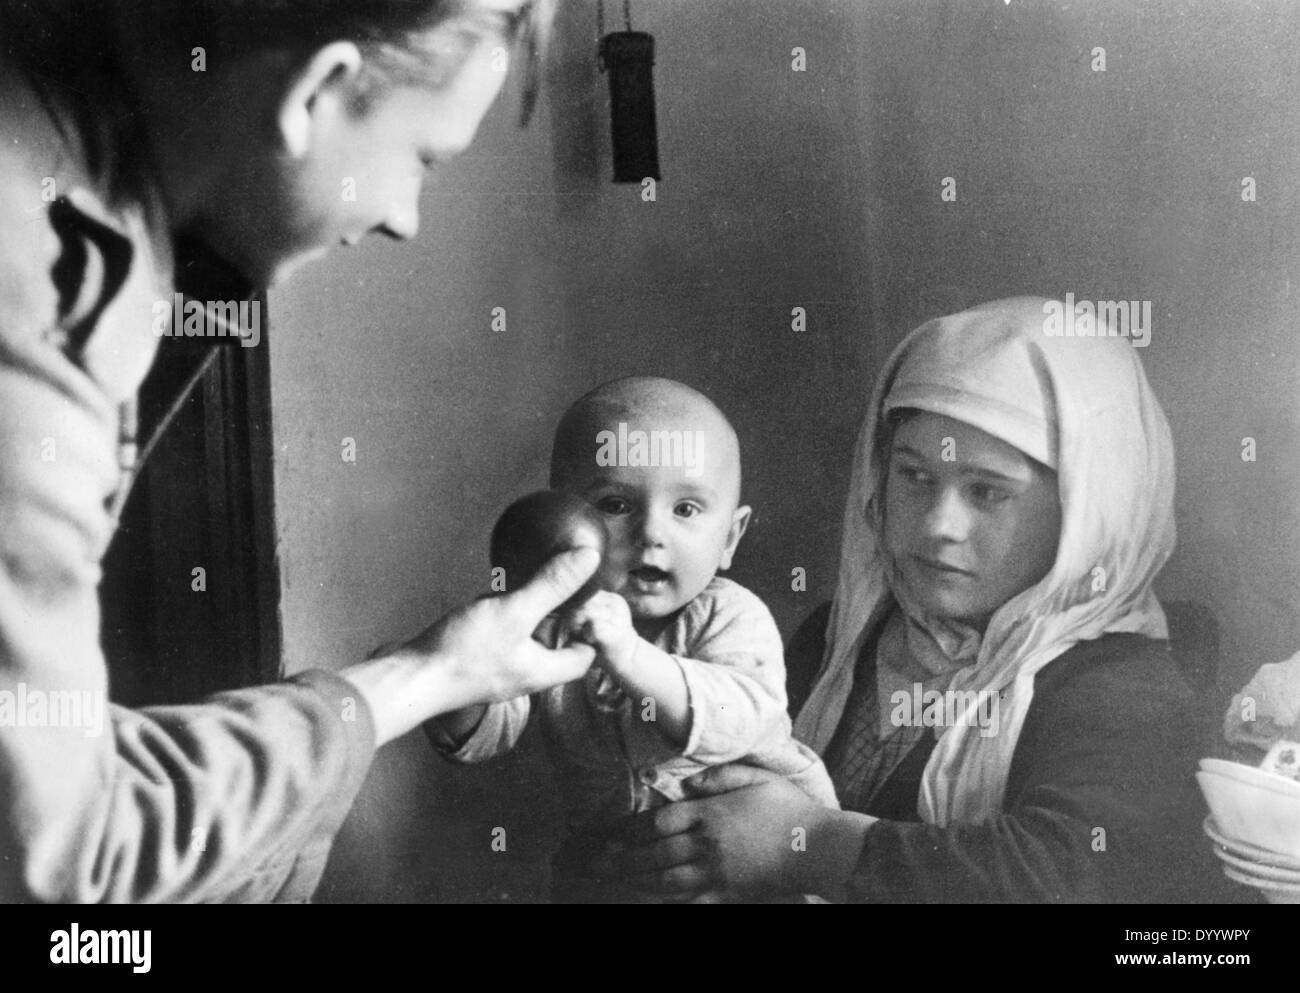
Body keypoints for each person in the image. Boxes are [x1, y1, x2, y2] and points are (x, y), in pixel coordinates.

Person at [0, 0, 604, 903]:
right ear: (318, 89)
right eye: (423, 160)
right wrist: (387, 694)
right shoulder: (37, 297)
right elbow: (73, 867)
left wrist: (435, 671)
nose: (405, 218)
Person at [610, 297, 1225, 903]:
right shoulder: (841, 640)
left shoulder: (1120, 686)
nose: (938, 525)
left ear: (1086, 514)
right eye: (915, 476)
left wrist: (814, 844)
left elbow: (1073, 877)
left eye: (987, 492)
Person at [427, 377, 836, 901]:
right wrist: (449, 688)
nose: (652, 533)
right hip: (623, 874)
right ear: (565, 524)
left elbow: (740, 720)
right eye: (616, 505)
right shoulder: (554, 623)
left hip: (755, 868)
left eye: (685, 509)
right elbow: (493, 731)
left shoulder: (730, 614)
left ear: (730, 538)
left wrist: (628, 653)